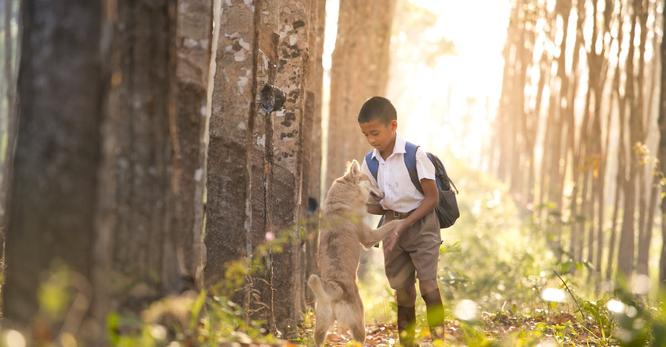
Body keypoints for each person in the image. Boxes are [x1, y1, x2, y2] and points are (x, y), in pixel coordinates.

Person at [358, 96, 444, 345]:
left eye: (375, 133)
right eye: (366, 135)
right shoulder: (370, 162)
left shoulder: (415, 155)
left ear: (393, 126)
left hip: (422, 225)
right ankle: (408, 343)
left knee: (428, 286)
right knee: (403, 293)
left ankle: (439, 341)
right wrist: (355, 205)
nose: (371, 140)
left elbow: (432, 198)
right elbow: (376, 204)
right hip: (391, 228)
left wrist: (404, 225)